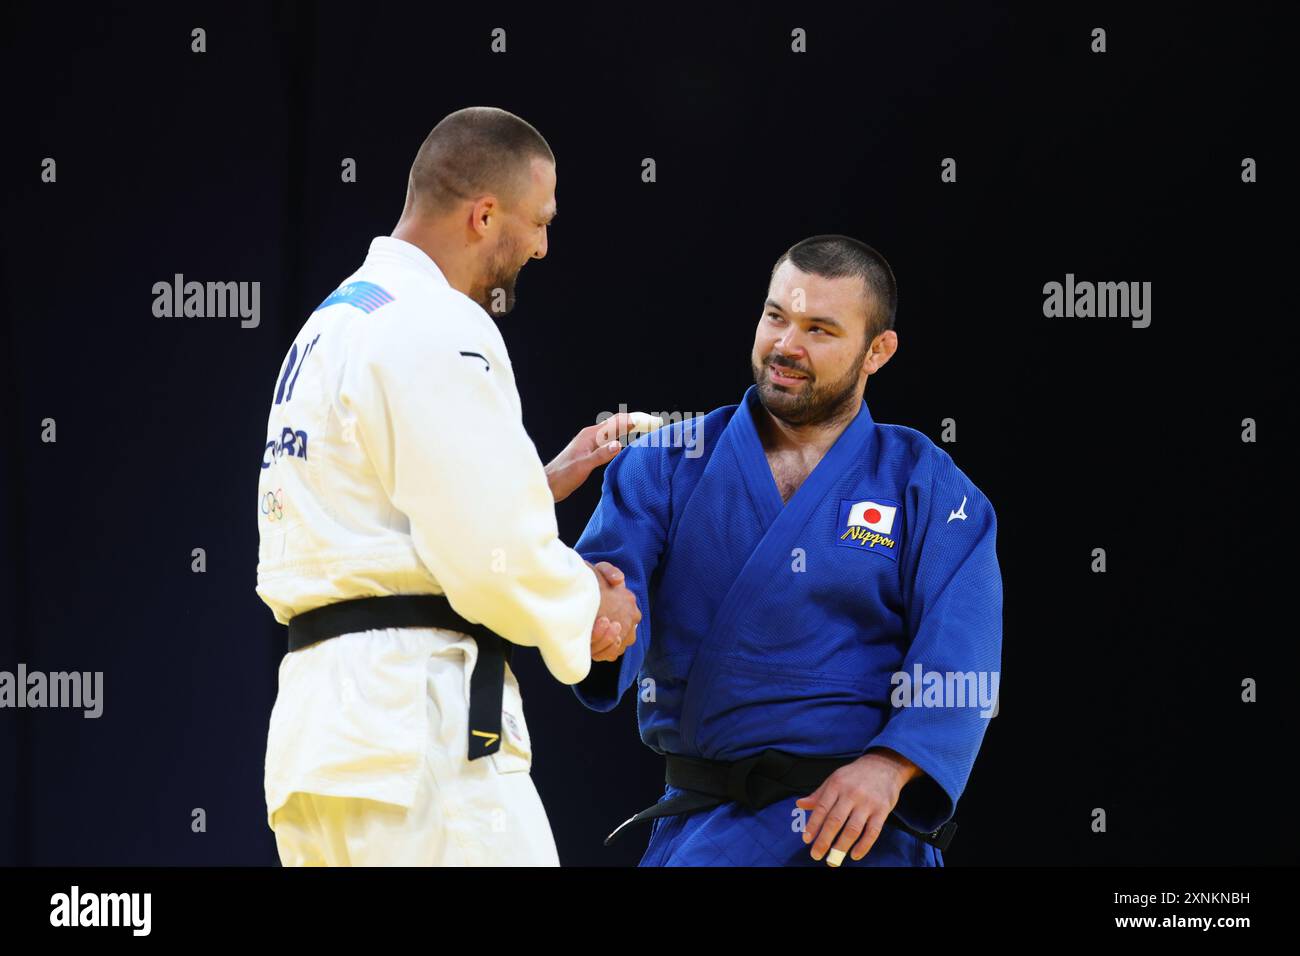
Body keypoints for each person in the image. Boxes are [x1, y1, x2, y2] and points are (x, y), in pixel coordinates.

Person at [256, 106, 640, 866]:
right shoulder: (439, 323)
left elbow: (379, 511)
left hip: (323, 739)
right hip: (419, 738)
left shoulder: (336, 320)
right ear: (484, 213)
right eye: (538, 221)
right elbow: (490, 552)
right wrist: (591, 605)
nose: (542, 245)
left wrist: (533, 484)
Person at [575, 235, 1003, 866]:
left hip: (858, 835)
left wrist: (890, 767)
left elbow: (961, 658)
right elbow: (609, 592)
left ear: (877, 351)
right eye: (776, 316)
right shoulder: (667, 461)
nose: (786, 346)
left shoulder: (925, 484)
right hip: (709, 834)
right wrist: (594, 621)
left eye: (820, 330)